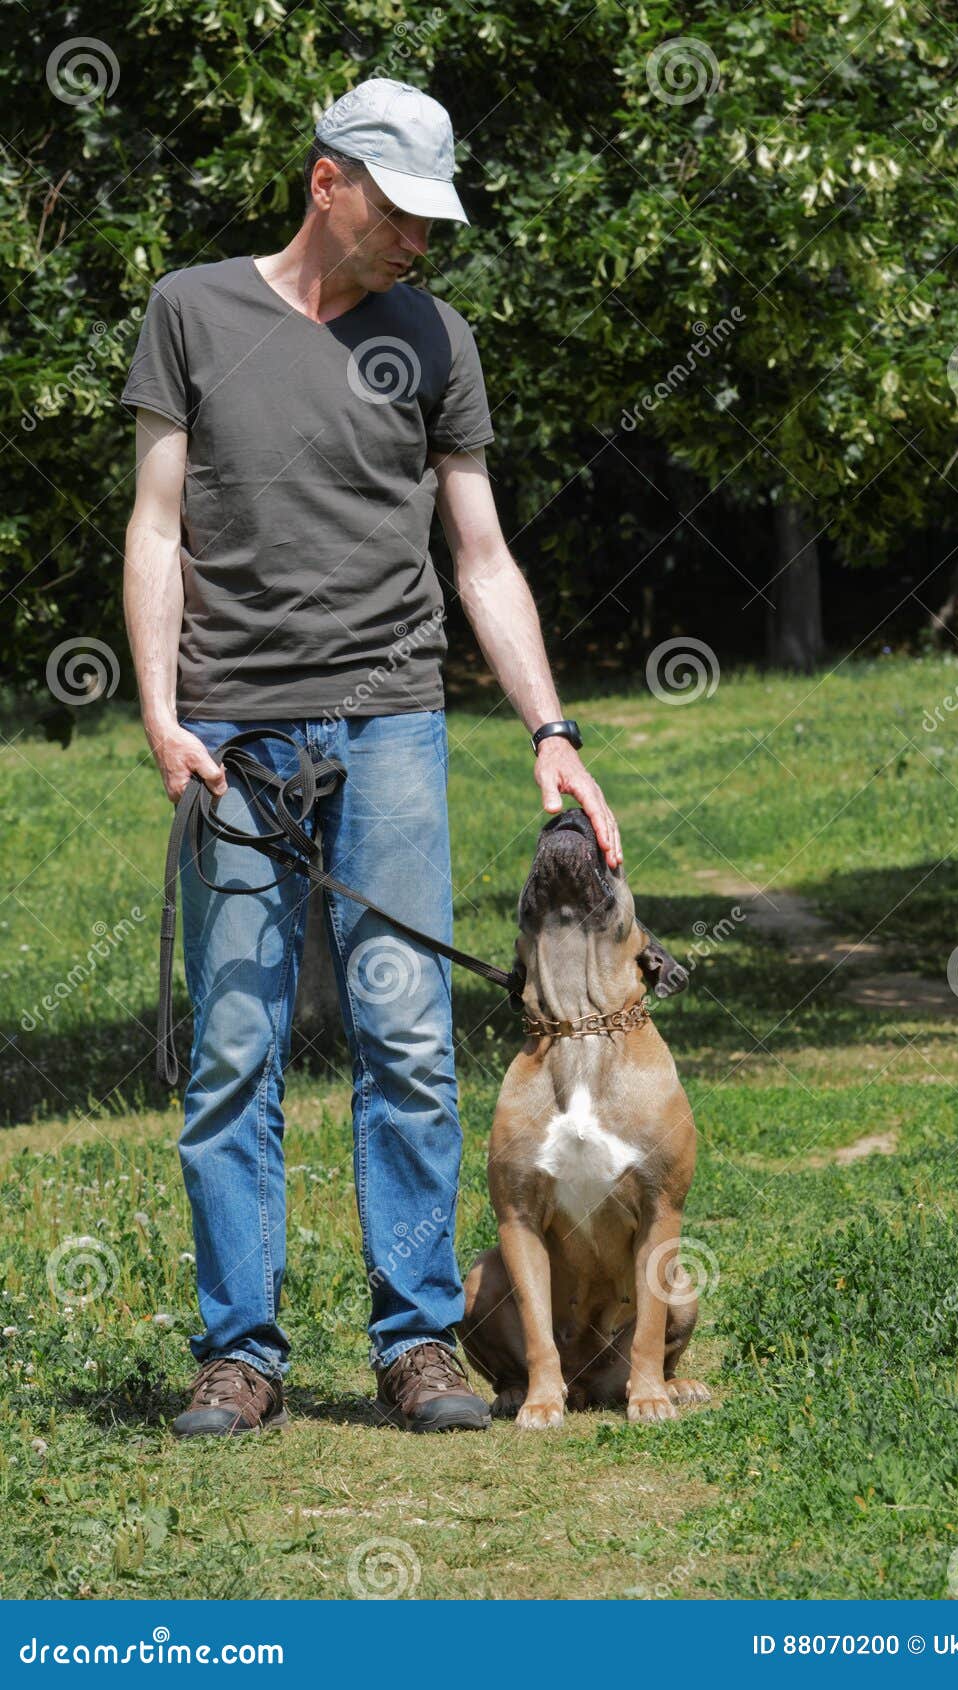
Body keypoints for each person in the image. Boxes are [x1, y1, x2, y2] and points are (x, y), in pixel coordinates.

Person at [121, 77, 621, 1437]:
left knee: (406, 1034)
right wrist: (166, 714)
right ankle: (241, 1353)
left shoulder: (435, 337)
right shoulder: (194, 312)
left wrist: (553, 731)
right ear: (326, 179)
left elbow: (482, 557)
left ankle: (417, 1341)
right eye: (401, 211)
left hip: (393, 718)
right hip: (233, 728)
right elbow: (158, 525)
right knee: (235, 1046)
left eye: (433, 218)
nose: (420, 240)